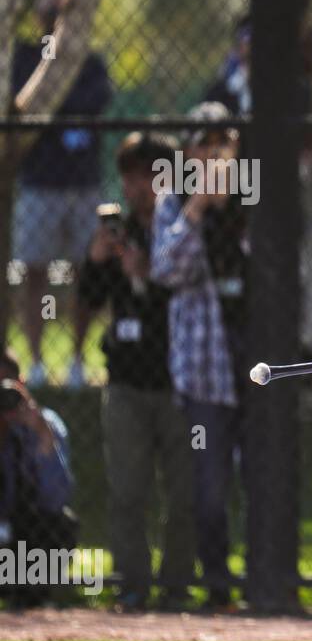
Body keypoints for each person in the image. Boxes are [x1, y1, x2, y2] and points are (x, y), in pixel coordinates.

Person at [78, 133, 195, 611]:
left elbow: (188, 293)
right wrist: (96, 261)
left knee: (184, 491)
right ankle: (132, 582)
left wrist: (145, 272)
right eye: (129, 175)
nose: (138, 186)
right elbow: (83, 307)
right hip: (125, 382)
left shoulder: (182, 230)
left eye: (148, 174)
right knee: (127, 490)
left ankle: (176, 584)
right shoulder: (117, 234)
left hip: (177, 379)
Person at [151, 102, 250, 611]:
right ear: (188, 152)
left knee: (262, 480)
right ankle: (218, 587)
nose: (213, 154)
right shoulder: (174, 201)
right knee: (209, 489)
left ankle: (270, 587)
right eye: (204, 145)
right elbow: (166, 270)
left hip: (256, 364)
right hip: (204, 366)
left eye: (223, 144)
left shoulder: (255, 196)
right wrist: (197, 208)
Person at [9, 0, 114, 389]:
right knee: (33, 270)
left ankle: (76, 360)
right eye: (49, 15)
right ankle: (34, 363)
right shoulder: (23, 59)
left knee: (84, 272)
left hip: (83, 184)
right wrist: (63, 107)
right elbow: (26, 104)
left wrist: (55, 109)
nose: (54, 22)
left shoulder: (90, 60)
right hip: (39, 184)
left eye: (62, 14)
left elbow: (96, 99)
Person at [0, 350, 77, 607]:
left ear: (21, 384)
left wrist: (43, 438)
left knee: (60, 523)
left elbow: (57, 499)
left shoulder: (46, 423)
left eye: (7, 384)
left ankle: (33, 596)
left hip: (29, 530)